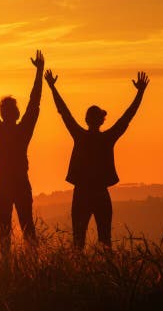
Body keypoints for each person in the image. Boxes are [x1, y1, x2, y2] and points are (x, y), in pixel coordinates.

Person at [45, 69, 149, 249]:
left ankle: (82, 273)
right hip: (99, 193)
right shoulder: (106, 138)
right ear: (101, 120)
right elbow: (127, 117)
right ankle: (106, 273)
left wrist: (52, 87)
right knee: (104, 240)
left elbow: (64, 113)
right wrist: (140, 93)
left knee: (79, 241)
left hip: (82, 193)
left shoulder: (81, 136)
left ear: (87, 120)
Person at [0, 50, 44, 253]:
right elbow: (34, 102)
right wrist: (39, 72)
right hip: (18, 183)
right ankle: (31, 265)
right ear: (15, 113)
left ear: (3, 114)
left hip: (8, 184)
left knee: (6, 234)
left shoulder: (0, 129)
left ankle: (8, 267)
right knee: (27, 230)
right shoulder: (22, 129)